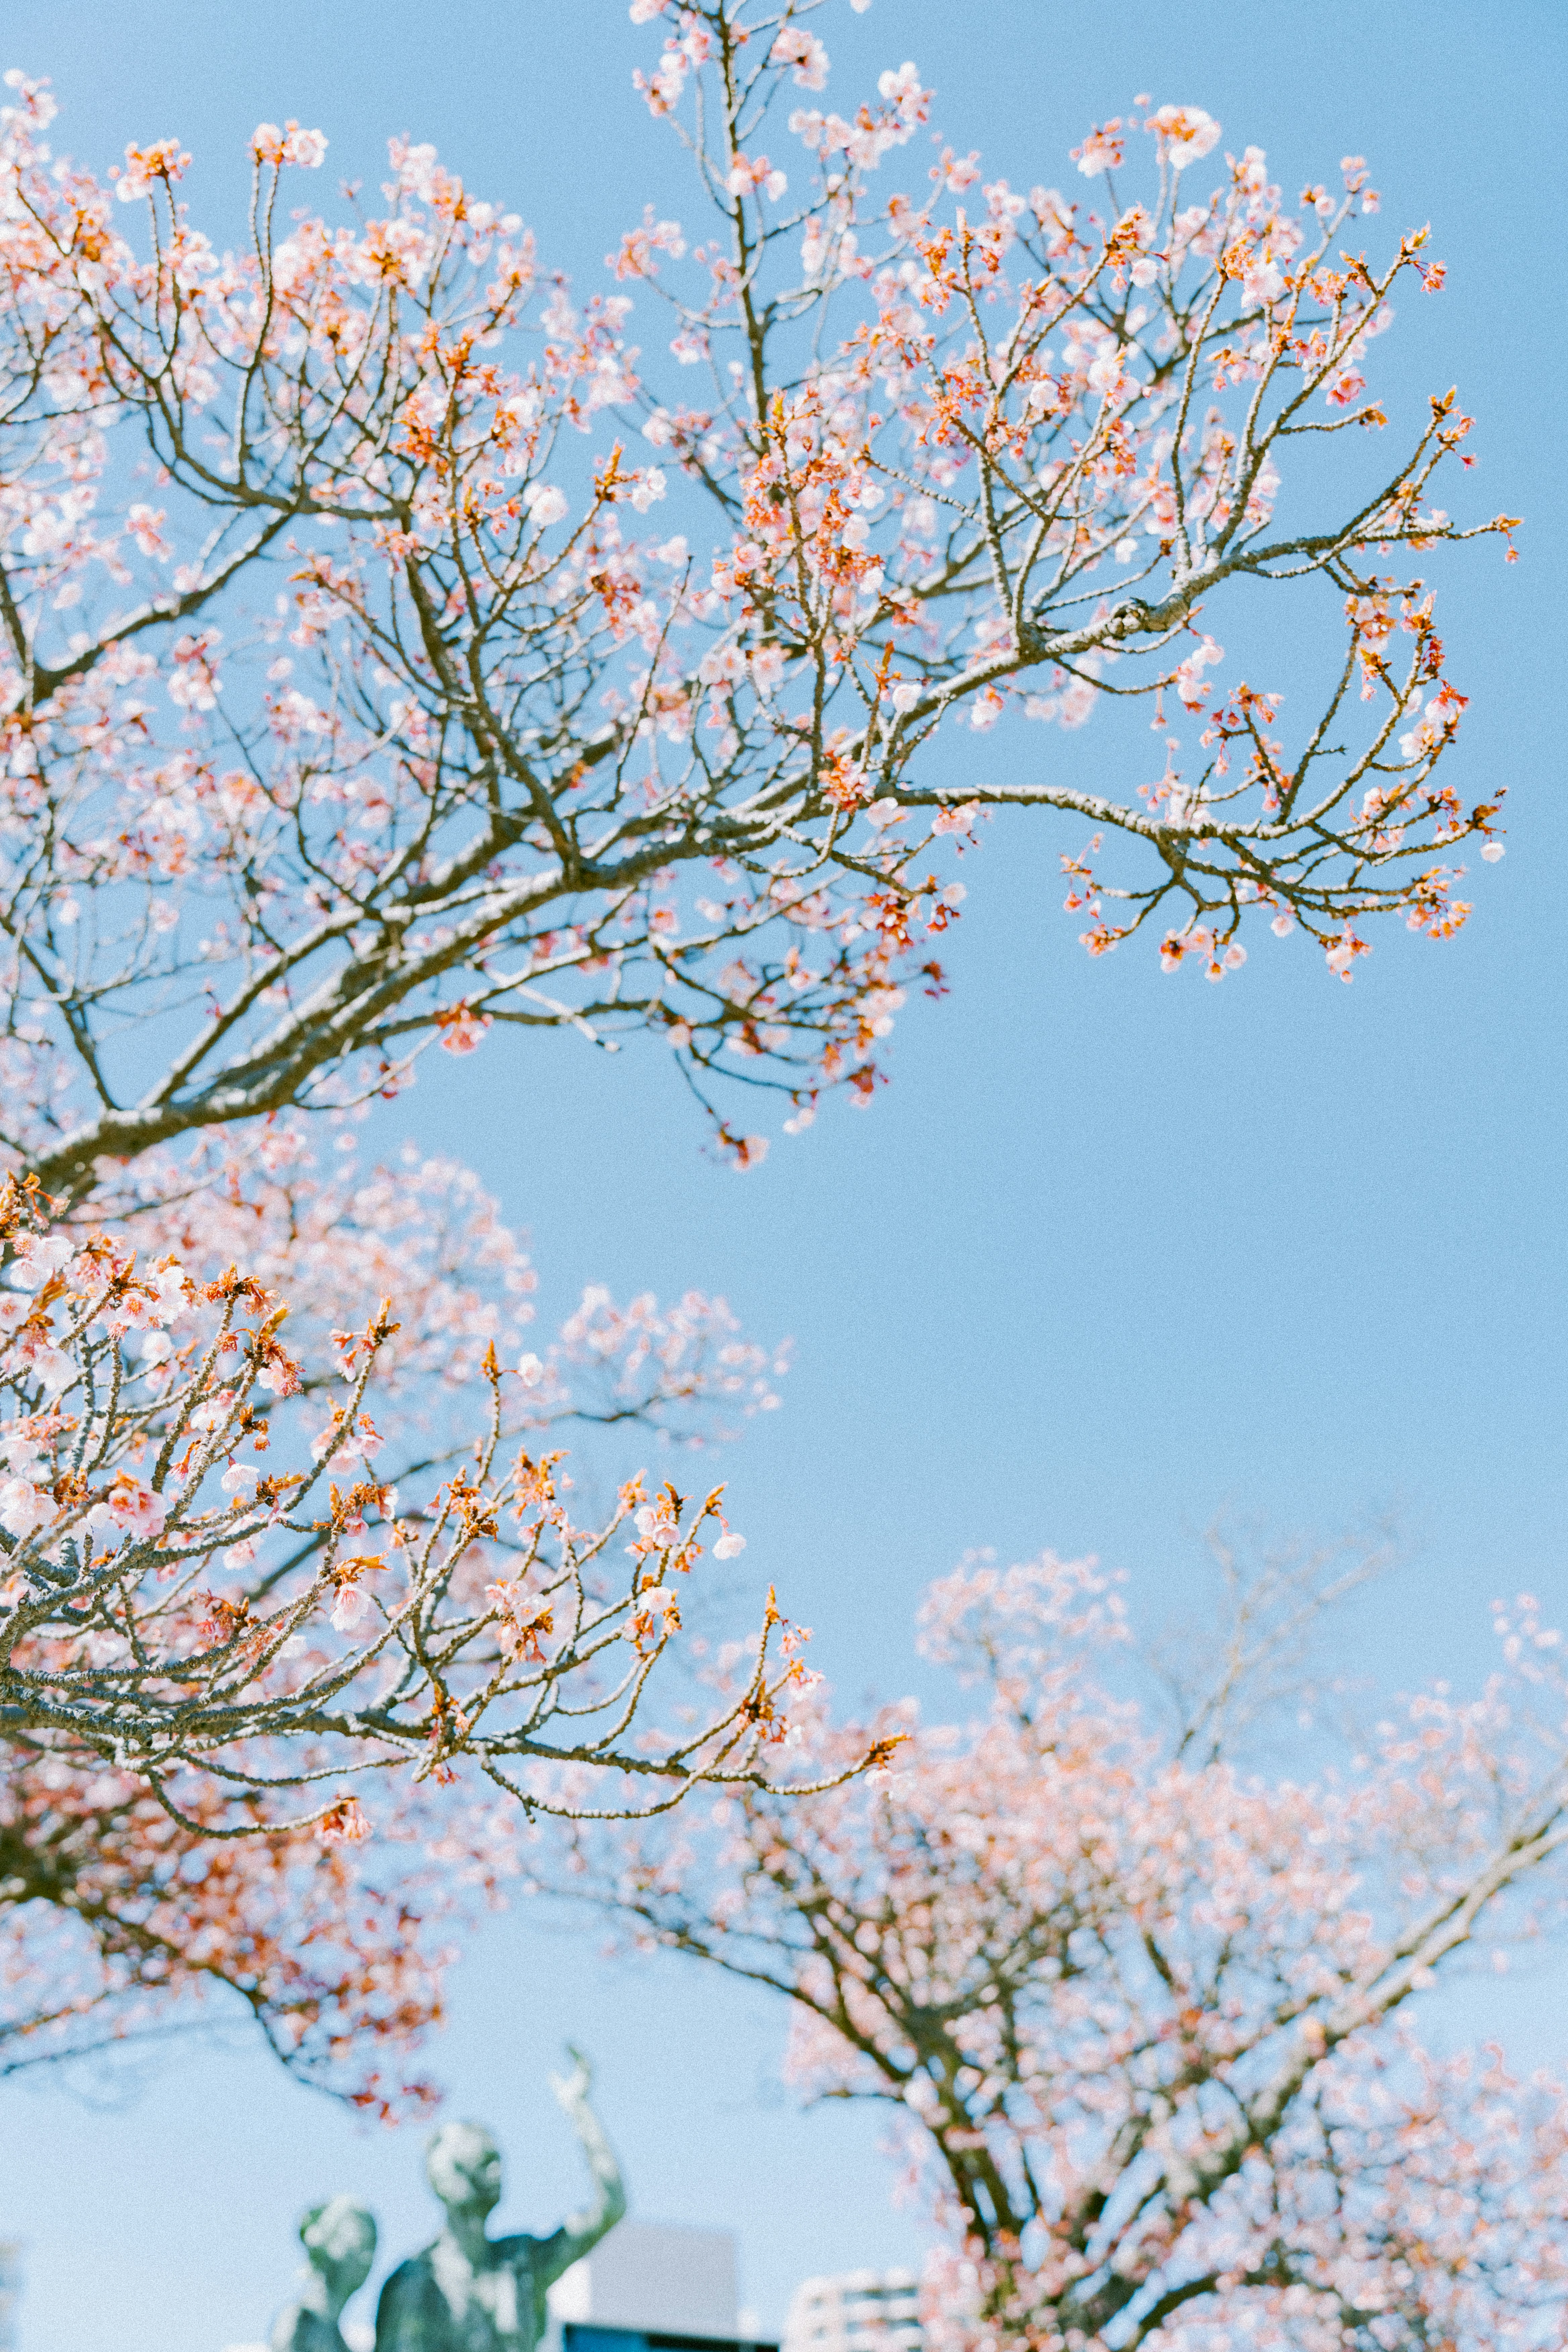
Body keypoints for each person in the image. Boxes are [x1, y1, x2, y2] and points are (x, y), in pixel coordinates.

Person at [375, 2047, 626, 2352]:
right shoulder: (414, 2282)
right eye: (485, 2162)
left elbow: (610, 2207)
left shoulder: (520, 2261)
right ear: (451, 2176)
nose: (498, 2172)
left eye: (498, 2162)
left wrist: (579, 2109)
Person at [271, 2198, 378, 2352]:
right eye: (359, 2244)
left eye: (372, 2247)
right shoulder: (296, 2323)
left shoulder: (339, 2342)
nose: (368, 2259)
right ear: (329, 2243)